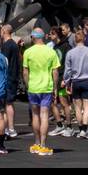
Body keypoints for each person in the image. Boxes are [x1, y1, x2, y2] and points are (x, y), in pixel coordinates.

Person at [22, 28, 60, 156]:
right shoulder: (51, 51)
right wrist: (55, 87)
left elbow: (25, 72)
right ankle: (43, 145)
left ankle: (37, 143)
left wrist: (27, 85)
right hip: (46, 87)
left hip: (33, 87)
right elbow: (55, 72)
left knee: (35, 115)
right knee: (44, 115)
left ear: (33, 37)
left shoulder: (28, 52)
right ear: (43, 37)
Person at [63, 29, 88, 138]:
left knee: (77, 107)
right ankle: (84, 130)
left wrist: (67, 82)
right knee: (87, 106)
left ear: (75, 40)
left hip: (76, 82)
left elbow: (68, 70)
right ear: (84, 39)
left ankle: (81, 130)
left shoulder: (70, 53)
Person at [0, 24, 22, 137]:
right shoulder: (14, 45)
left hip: (7, 77)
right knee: (9, 103)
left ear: (4, 31)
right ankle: (10, 128)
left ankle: (9, 128)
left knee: (6, 104)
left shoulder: (7, 45)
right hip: (13, 76)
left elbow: (3, 62)